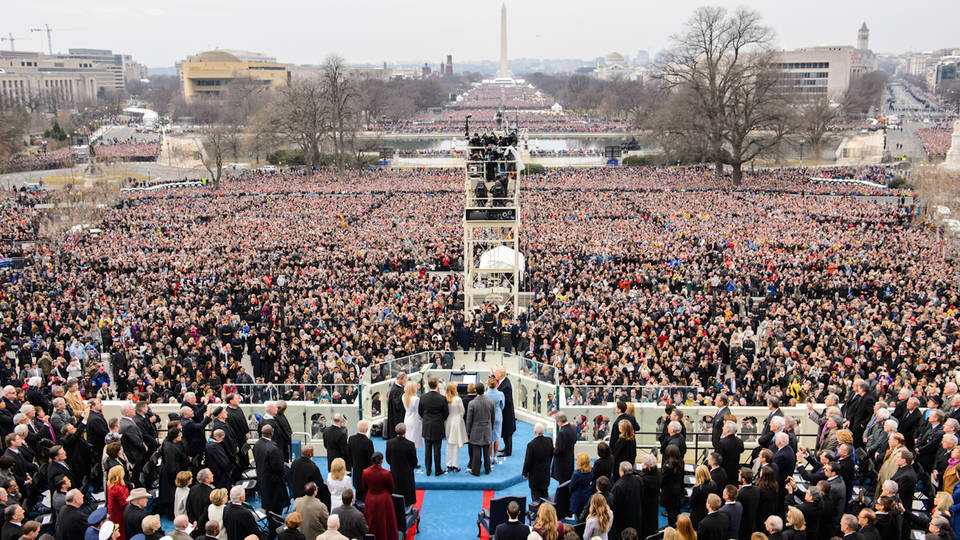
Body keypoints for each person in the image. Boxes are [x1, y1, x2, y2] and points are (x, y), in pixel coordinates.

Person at [253, 424, 288, 540]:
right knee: (276, 508)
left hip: (262, 480)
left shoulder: (257, 444)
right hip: (273, 483)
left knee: (267, 505)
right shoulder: (273, 448)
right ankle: (275, 530)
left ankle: (272, 528)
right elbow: (278, 468)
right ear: (272, 433)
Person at [362, 452, 398, 540]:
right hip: (384, 500)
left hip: (370, 499)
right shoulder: (386, 473)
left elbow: (364, 487)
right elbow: (392, 488)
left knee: (372, 521)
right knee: (386, 523)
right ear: (381, 461)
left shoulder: (365, 472)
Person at [418, 377, 449, 476]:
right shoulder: (442, 398)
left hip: (427, 425)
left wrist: (426, 419)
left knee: (427, 449)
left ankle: (428, 470)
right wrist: (439, 420)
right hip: (438, 425)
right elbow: (446, 413)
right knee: (437, 449)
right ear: (437, 385)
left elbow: (420, 412)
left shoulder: (423, 397)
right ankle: (438, 470)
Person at [159, 428, 189, 520]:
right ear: (175, 437)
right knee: (172, 495)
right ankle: (171, 515)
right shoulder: (170, 448)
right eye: (180, 435)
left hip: (168, 471)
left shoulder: (167, 443)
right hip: (171, 474)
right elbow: (171, 464)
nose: (181, 437)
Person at [385, 423, 417, 506]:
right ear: (405, 431)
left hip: (395, 471)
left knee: (396, 488)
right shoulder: (410, 444)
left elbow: (388, 458)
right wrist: (410, 468)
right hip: (407, 472)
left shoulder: (389, 443)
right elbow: (414, 461)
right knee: (408, 490)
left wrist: (393, 465)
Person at [466, 383, 494, 476]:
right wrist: (491, 427)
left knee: (476, 450)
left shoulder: (472, 403)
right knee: (486, 449)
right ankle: (487, 469)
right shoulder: (490, 401)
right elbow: (492, 417)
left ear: (476, 391)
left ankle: (476, 471)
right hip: (487, 428)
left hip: (476, 429)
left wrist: (468, 431)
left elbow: (469, 420)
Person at [610, 462, 643, 539]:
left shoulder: (618, 486)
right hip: (636, 515)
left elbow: (614, 505)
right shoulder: (639, 480)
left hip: (623, 520)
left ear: (621, 472)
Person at [522, 423, 554, 502]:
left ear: (534, 432)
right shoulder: (549, 440)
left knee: (536, 501)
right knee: (546, 497)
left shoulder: (531, 445)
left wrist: (525, 473)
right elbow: (551, 454)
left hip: (535, 478)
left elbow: (527, 461)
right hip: (545, 475)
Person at [443, 383, 467, 473]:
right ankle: (455, 465)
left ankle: (448, 464)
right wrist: (459, 418)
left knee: (449, 443)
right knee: (456, 444)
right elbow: (462, 411)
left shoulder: (445, 398)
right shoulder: (458, 399)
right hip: (456, 420)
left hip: (448, 421)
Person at [347, 422, 374, 501]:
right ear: (366, 429)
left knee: (357, 486)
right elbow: (371, 458)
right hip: (366, 470)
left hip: (355, 467)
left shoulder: (351, 439)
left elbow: (349, 454)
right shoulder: (368, 442)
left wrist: (353, 464)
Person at [494, 368, 516, 457]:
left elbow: (507, 400)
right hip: (504, 412)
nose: (495, 374)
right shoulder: (503, 381)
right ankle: (506, 447)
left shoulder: (506, 385)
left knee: (507, 432)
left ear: (501, 374)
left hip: (506, 412)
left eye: (496, 373)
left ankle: (508, 451)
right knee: (505, 432)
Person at [639, 454, 662, 540]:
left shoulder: (645, 479)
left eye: (644, 463)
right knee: (653, 521)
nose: (642, 465)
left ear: (647, 466)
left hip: (646, 503)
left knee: (646, 523)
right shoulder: (658, 474)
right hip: (654, 501)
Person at [662, 445, 685, 526]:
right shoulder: (681, 463)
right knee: (674, 510)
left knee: (670, 512)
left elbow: (663, 480)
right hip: (677, 489)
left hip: (669, 492)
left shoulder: (667, 466)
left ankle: (671, 528)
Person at [737, 469, 763, 540]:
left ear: (743, 479)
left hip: (743, 524)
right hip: (753, 522)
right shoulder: (757, 490)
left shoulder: (740, 493)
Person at [717, 421, 745, 485]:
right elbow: (742, 450)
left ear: (727, 430)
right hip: (735, 471)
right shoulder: (739, 441)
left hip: (724, 472)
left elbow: (718, 457)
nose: (722, 428)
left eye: (724, 427)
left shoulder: (722, 442)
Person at [552, 413, 577, 484]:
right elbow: (575, 440)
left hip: (562, 463)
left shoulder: (562, 432)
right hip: (570, 459)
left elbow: (558, 450)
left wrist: (552, 450)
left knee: (563, 483)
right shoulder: (573, 427)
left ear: (559, 421)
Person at [106, 466, 129, 540]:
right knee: (121, 533)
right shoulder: (117, 488)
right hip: (119, 514)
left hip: (114, 513)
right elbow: (125, 503)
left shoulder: (110, 484)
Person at [569, 454, 594, 518]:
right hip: (588, 494)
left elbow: (571, 487)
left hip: (578, 497)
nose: (576, 462)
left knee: (579, 516)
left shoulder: (576, 474)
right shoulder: (591, 470)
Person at [486, 377, 505, 459]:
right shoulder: (500, 394)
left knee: (489, 438)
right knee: (497, 437)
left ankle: (490, 456)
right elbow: (502, 406)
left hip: (488, 416)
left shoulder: (485, 394)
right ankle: (495, 456)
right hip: (498, 416)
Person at [402, 382, 424, 449]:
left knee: (408, 438)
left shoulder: (403, 396)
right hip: (415, 420)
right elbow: (418, 412)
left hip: (407, 419)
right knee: (414, 440)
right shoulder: (416, 399)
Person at [385, 373, 407, 440]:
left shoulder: (400, 387)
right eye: (405, 379)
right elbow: (397, 404)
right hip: (396, 416)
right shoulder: (395, 390)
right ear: (400, 379)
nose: (405, 381)